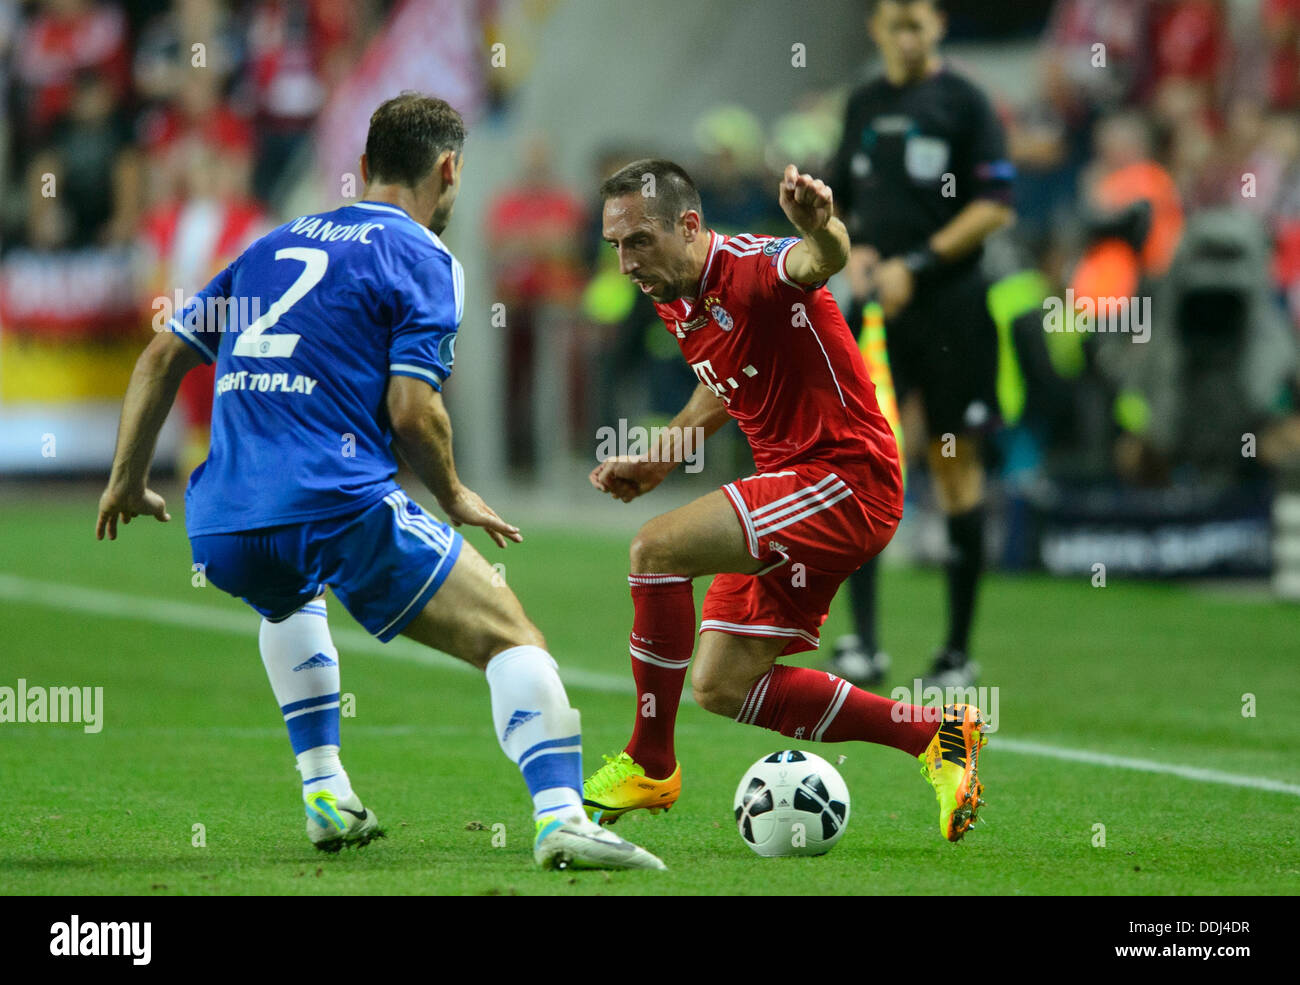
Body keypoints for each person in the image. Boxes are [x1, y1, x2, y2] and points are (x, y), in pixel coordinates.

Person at [95, 92, 662, 872]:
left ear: (361, 170)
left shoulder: (271, 243)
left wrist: (126, 480)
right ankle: (562, 815)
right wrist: (455, 493)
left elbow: (161, 355)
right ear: (449, 169)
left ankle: (324, 787)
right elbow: (411, 407)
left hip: (221, 518)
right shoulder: (425, 257)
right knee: (510, 637)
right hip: (335, 500)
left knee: (288, 594)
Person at [583, 157, 987, 843]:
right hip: (797, 490)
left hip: (846, 477)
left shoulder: (752, 265)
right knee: (721, 683)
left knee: (656, 549)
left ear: (689, 225)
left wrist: (821, 224)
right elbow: (723, 378)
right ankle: (938, 736)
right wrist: (656, 460)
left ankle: (652, 761)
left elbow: (816, 259)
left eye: (638, 240)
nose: (625, 261)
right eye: (614, 245)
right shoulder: (671, 290)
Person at [827, 0, 1016, 689]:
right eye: (893, 22)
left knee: (953, 463)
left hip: (953, 310)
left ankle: (957, 653)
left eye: (917, 22)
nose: (906, 35)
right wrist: (857, 253)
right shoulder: (864, 102)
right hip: (877, 313)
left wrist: (920, 264)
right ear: (876, 29)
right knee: (861, 463)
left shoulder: (965, 101)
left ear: (937, 26)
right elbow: (837, 199)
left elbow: (995, 201)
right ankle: (864, 643)